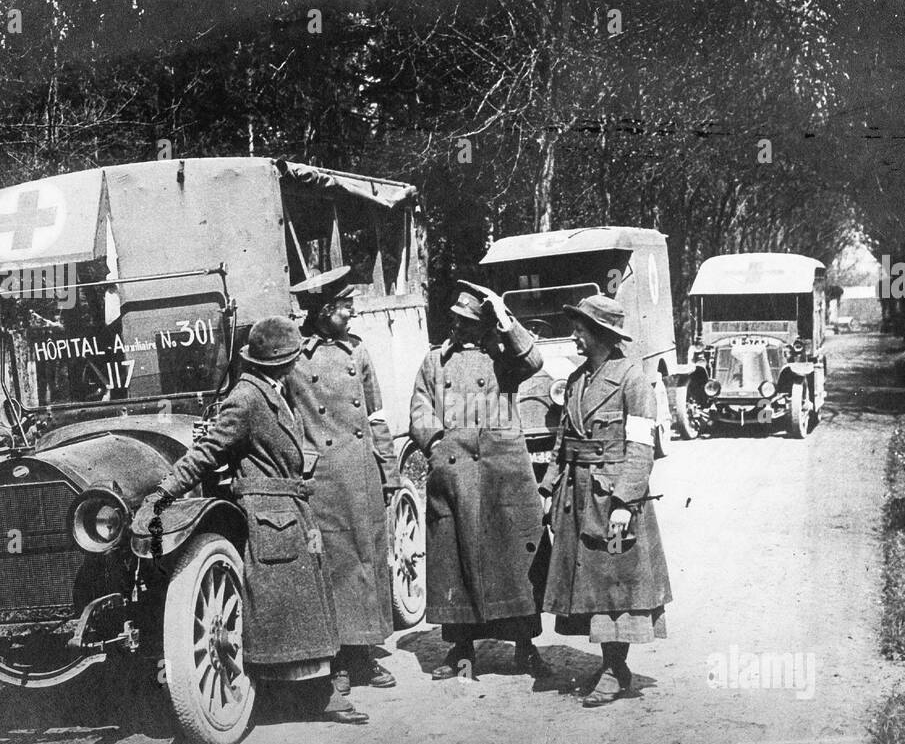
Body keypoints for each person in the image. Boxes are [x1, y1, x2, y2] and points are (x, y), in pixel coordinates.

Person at [145, 316, 368, 724]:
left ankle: (317, 694)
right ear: (280, 363)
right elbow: (209, 451)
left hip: (287, 509)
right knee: (288, 611)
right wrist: (164, 493)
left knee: (305, 608)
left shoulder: (272, 391)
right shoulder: (246, 398)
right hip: (270, 514)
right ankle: (315, 698)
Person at [409, 281, 551, 680]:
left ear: (484, 326)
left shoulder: (503, 355)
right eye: (455, 319)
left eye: (469, 322)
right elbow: (420, 406)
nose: (459, 327)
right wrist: (437, 444)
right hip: (456, 474)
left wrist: (505, 317)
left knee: (514, 560)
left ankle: (525, 647)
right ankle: (461, 650)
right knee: (456, 561)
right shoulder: (435, 361)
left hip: (501, 473)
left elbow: (534, 360)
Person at [539, 294, 672, 707]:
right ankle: (613, 665)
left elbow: (641, 446)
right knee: (593, 583)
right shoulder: (578, 379)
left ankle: (615, 670)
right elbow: (564, 442)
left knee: (616, 583)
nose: (574, 335)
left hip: (613, 499)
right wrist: (551, 488)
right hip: (577, 498)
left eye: (580, 329)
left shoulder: (633, 378)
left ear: (600, 334)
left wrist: (624, 502)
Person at [285, 265, 397, 698]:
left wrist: (388, 471)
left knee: (367, 562)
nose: (352, 312)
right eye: (345, 305)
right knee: (332, 566)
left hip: (362, 472)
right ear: (324, 309)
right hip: (324, 477)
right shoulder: (295, 356)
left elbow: (375, 416)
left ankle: (362, 654)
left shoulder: (358, 351)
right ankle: (335, 663)